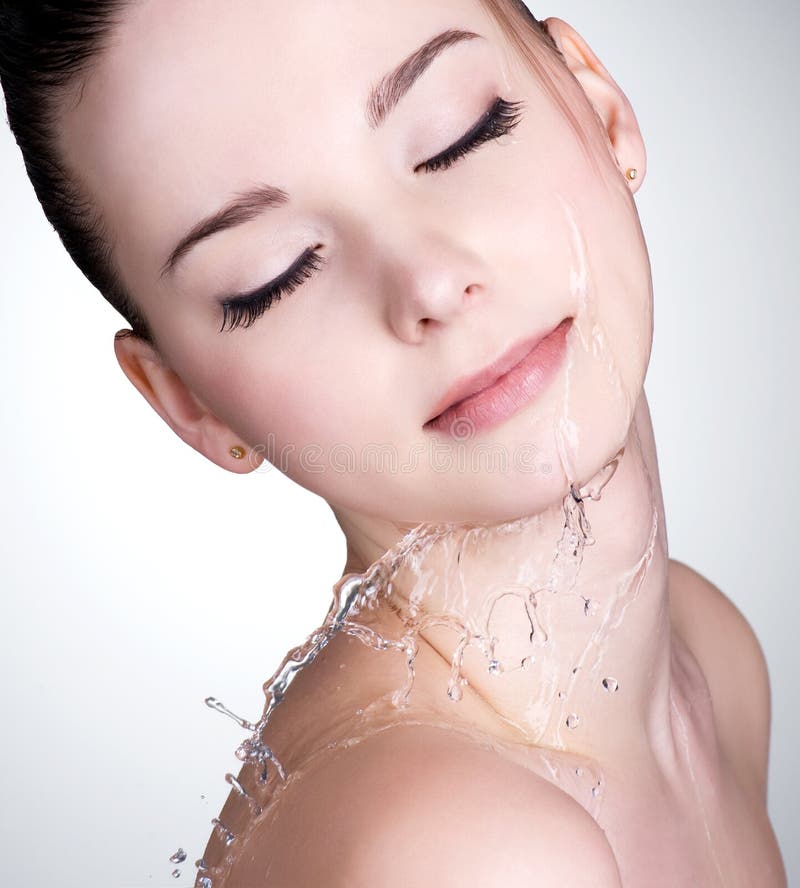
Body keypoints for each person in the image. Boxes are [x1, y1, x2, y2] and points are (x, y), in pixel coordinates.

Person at [0, 1, 787, 885]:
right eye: (276, 273)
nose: (431, 281)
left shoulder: (715, 654)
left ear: (598, 103)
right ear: (190, 404)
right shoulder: (466, 854)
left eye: (457, 135)